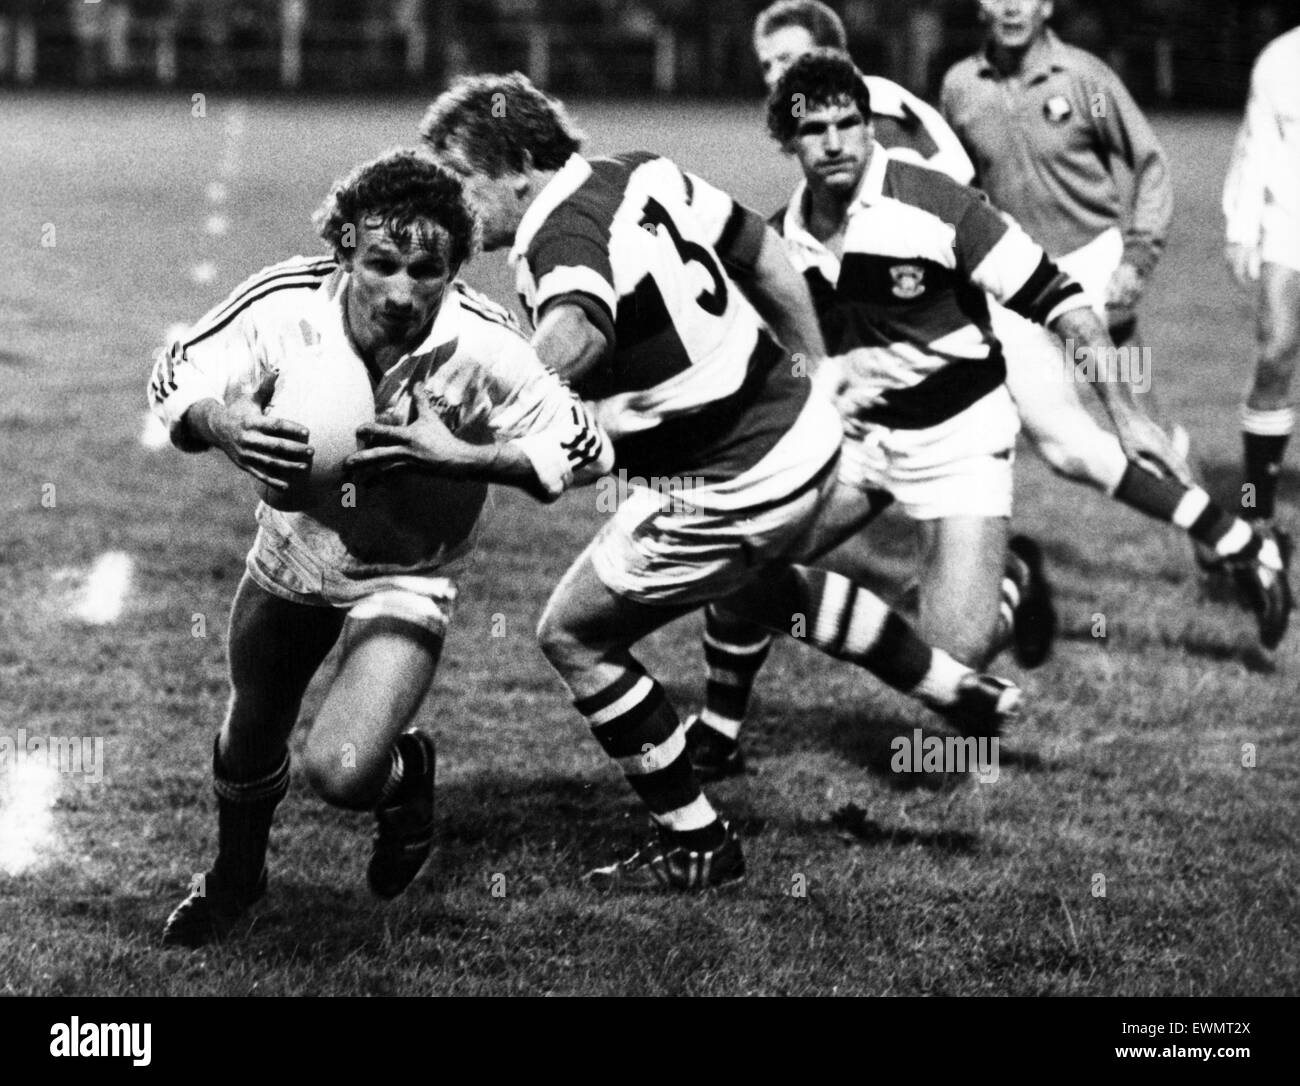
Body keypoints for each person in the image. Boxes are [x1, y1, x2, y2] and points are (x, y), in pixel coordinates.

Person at [420, 72, 1024, 892]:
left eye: (460, 180)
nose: (450, 204)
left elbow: (577, 327)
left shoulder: (558, 237)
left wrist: (497, 403)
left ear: (522, 165)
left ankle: (696, 839)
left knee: (572, 635)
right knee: (751, 581)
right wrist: (818, 367)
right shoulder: (641, 170)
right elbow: (764, 254)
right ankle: (953, 688)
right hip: (802, 434)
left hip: (729, 481)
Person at [682, 52, 1280, 777]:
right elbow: (759, 360)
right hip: (857, 443)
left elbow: (1061, 301)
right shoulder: (782, 241)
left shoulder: (933, 205)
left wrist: (1126, 414)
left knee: (949, 660)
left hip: (958, 438)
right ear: (787, 140)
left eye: (848, 124)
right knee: (737, 550)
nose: (834, 143)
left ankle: (1013, 581)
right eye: (814, 130)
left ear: (869, 125)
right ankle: (718, 733)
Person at [148, 150, 613, 946]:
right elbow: (175, 371)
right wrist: (223, 424)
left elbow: (588, 447)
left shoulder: (486, 342)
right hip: (296, 548)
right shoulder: (286, 301)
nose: (402, 292)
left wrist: (465, 457)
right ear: (344, 252)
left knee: (342, 771)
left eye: (426, 270)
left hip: (408, 573)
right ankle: (234, 881)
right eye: (382, 264)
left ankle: (405, 774)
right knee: (252, 727)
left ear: (456, 267)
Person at [935, 1, 1291, 623]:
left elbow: (1148, 161)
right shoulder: (961, 88)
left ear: (1048, 5)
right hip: (1014, 284)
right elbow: (953, 185)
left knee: (1143, 426)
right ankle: (1232, 540)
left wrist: (1137, 258)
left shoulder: (1084, 80)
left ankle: (1225, 548)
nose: (1012, 6)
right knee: (1063, 448)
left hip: (1095, 275)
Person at [753, 0, 974, 183]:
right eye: (767, 66)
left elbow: (918, 195)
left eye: (786, 59)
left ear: (829, 55)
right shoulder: (828, 101)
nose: (773, 76)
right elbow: (797, 113)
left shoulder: (872, 115)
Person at [1224, 27, 1300, 553]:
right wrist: (1241, 229)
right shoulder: (1281, 59)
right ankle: (1255, 507)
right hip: (1289, 226)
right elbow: (1256, 146)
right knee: (1274, 354)